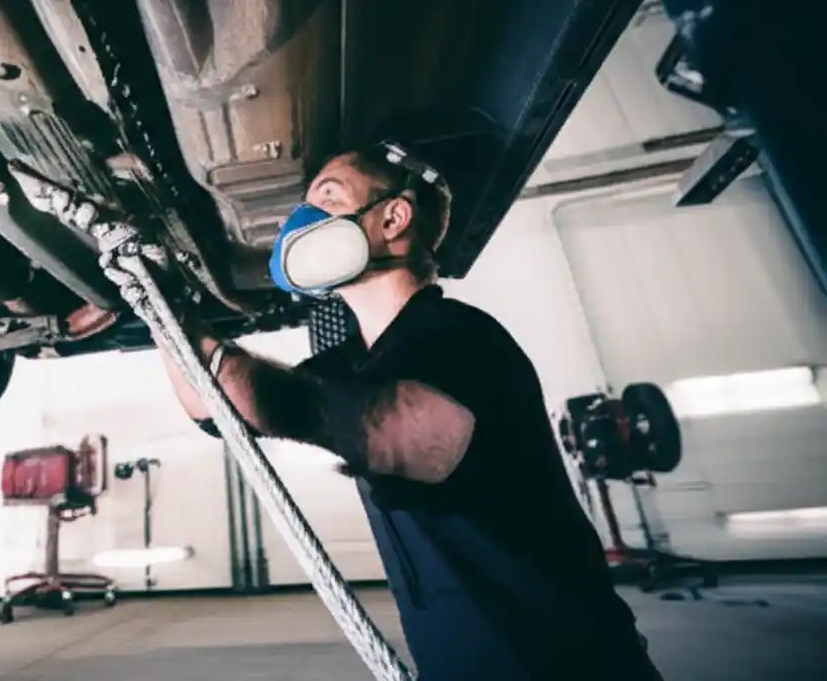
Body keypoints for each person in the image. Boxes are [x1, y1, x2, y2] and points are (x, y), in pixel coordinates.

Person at [147, 142, 663, 679]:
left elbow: (409, 432)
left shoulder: (461, 337)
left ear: (393, 216)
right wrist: (162, 304)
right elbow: (217, 405)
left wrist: (276, 399)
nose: (303, 219)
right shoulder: (352, 364)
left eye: (327, 197)